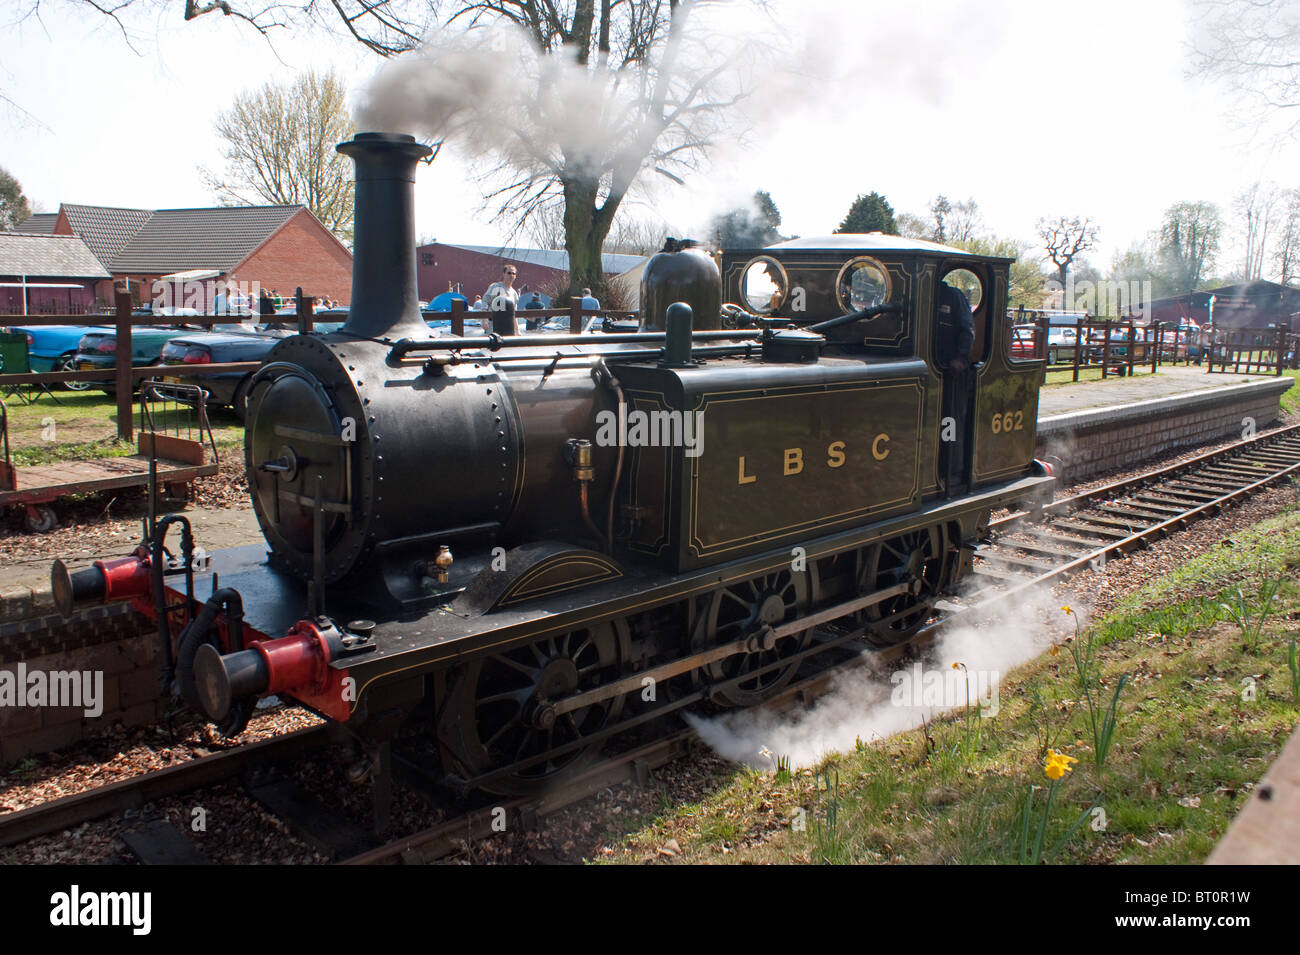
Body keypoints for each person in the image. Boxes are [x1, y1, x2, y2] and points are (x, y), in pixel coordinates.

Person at [934, 279, 975, 497]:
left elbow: (967, 329)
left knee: (949, 423)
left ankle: (952, 470)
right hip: (934, 368)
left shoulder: (954, 297)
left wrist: (960, 357)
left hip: (952, 374)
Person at [482, 264, 519, 336]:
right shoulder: (496, 287)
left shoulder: (514, 293)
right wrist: (484, 320)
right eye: (509, 273)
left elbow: (514, 313)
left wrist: (517, 331)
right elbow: (485, 302)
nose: (511, 275)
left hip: (508, 327)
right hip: (493, 324)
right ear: (504, 274)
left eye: (513, 273)